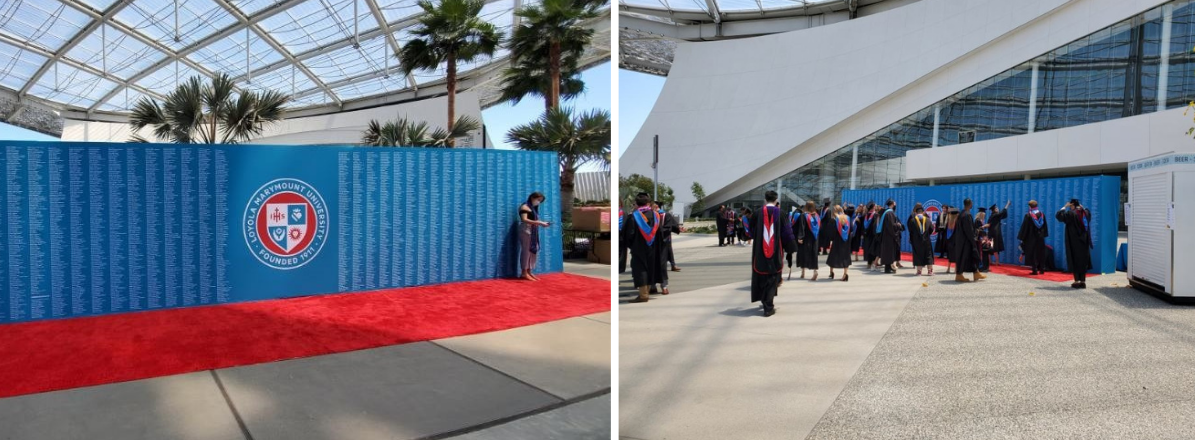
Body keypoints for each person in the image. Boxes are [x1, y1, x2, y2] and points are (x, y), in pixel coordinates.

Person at [750, 191, 797, 317]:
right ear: (776, 200)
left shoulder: (757, 213)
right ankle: (768, 307)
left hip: (759, 251)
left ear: (765, 199)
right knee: (772, 276)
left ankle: (764, 300)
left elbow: (750, 230)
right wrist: (790, 248)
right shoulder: (781, 213)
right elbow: (787, 232)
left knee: (761, 275)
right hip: (776, 250)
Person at [622, 193, 664, 302]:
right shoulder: (656, 216)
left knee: (640, 269)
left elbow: (629, 234)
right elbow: (660, 232)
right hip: (653, 247)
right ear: (648, 203)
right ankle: (647, 292)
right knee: (651, 268)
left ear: (636, 203)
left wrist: (631, 246)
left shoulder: (634, 217)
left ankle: (643, 295)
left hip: (638, 247)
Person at [1056, 198, 1093, 288]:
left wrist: (1064, 207)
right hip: (1084, 240)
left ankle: (1076, 281)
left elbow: (1059, 216)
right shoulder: (1085, 212)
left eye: (1070, 206)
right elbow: (1087, 215)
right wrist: (1082, 208)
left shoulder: (1071, 213)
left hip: (1074, 241)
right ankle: (1083, 281)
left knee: (1075, 260)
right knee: (1083, 260)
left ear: (1072, 205)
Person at [518, 192, 551, 281]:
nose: (539, 202)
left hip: (533, 230)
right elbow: (524, 219)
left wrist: (543, 223)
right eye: (538, 199)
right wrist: (539, 222)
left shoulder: (533, 208)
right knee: (526, 251)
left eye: (540, 201)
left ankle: (529, 271)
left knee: (533, 250)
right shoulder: (524, 206)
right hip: (526, 230)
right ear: (532, 197)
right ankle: (524, 272)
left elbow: (534, 219)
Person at [952, 198, 985, 283]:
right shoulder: (967, 215)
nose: (972, 204)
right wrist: (973, 240)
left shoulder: (961, 214)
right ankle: (959, 275)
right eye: (972, 203)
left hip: (961, 240)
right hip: (966, 241)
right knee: (965, 257)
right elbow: (969, 230)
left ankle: (976, 273)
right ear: (970, 204)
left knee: (971, 257)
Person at [1017, 200, 1050, 275]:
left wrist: (1022, 237)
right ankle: (1042, 269)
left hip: (1031, 237)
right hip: (1040, 237)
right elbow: (1044, 226)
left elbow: (1025, 227)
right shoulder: (1042, 214)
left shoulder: (1028, 215)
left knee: (1032, 253)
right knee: (1041, 252)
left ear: (1030, 206)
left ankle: (1034, 270)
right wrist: (1043, 234)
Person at [795, 201, 821, 280]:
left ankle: (803, 272)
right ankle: (815, 271)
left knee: (803, 254)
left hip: (806, 238)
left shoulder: (803, 215)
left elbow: (802, 227)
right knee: (814, 254)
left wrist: (800, 237)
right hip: (815, 238)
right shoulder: (817, 216)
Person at [907, 203, 935, 276]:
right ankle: (930, 271)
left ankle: (919, 271)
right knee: (928, 255)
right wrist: (927, 234)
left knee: (918, 255)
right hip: (926, 240)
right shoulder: (928, 220)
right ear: (923, 212)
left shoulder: (912, 220)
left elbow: (910, 230)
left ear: (916, 213)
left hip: (917, 241)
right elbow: (932, 229)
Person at [654, 201, 682, 272]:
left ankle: (673, 265)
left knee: (669, 250)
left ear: (657, 206)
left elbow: (671, 224)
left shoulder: (664, 214)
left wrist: (678, 228)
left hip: (665, 236)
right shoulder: (652, 214)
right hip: (654, 236)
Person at [877, 199, 904, 273]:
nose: (895, 205)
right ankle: (887, 268)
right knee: (889, 252)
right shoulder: (889, 213)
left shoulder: (886, 212)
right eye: (895, 204)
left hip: (886, 235)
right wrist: (898, 225)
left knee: (888, 252)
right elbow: (891, 226)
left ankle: (889, 267)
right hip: (889, 236)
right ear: (892, 204)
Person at [826, 205, 853, 281]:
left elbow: (832, 231)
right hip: (846, 240)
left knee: (833, 255)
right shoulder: (848, 218)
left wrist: (831, 239)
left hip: (837, 240)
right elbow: (851, 228)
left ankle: (831, 272)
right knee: (845, 256)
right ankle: (845, 274)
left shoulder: (834, 219)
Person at [987, 201, 1011, 267]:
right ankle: (997, 262)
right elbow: (1002, 212)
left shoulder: (993, 216)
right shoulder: (995, 215)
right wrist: (1007, 205)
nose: (998, 209)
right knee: (995, 247)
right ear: (994, 210)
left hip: (992, 233)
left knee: (991, 247)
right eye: (996, 208)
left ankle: (990, 261)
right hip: (994, 233)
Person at [862, 202, 878, 269]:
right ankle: (872, 263)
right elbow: (875, 226)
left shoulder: (865, 215)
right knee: (873, 248)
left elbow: (863, 226)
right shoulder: (875, 215)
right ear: (873, 207)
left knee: (867, 248)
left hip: (867, 235)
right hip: (873, 235)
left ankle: (868, 263)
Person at [943, 208, 959, 274]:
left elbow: (947, 233)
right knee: (956, 255)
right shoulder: (957, 222)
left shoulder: (948, 222)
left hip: (949, 240)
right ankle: (955, 269)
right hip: (955, 240)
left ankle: (948, 268)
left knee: (950, 255)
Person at [975, 207, 991, 272]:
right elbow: (979, 230)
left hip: (979, 238)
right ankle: (980, 267)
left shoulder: (979, 220)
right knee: (980, 253)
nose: (984, 216)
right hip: (978, 239)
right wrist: (985, 233)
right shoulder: (978, 221)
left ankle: (982, 267)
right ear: (981, 214)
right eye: (984, 214)